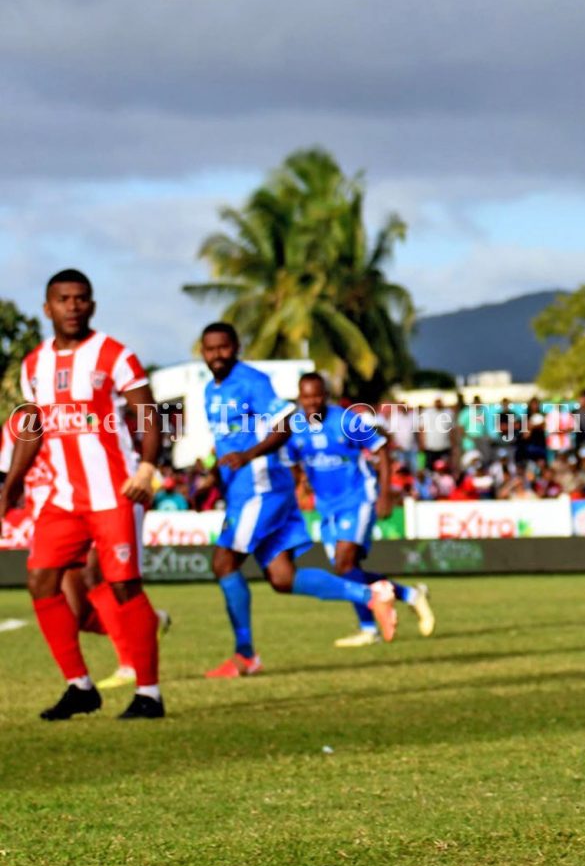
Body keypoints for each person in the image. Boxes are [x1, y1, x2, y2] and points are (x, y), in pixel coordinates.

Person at [0, 269, 166, 720]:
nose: (72, 306)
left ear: (92, 305)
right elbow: (32, 432)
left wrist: (148, 468)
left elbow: (148, 415)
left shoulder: (115, 355)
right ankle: (80, 686)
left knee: (123, 584)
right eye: (63, 299)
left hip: (115, 491)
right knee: (40, 579)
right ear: (47, 307)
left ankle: (148, 693)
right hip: (64, 496)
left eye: (81, 298)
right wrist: (10, 487)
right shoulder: (34, 364)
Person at [199, 323, 396, 678]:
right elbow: (225, 442)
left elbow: (285, 423)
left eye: (223, 348)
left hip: (261, 488)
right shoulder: (209, 392)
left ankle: (245, 655)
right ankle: (371, 596)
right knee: (282, 578)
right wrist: (212, 478)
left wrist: (248, 457)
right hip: (247, 488)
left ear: (236, 347)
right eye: (210, 349)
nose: (216, 355)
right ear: (202, 351)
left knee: (224, 563)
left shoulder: (253, 381)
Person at [286, 373, 436, 646]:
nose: (312, 401)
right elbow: (292, 461)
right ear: (299, 397)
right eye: (306, 396)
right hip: (326, 506)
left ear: (326, 395)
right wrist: (301, 486)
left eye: (317, 395)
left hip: (358, 498)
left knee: (344, 563)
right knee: (347, 570)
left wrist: (385, 494)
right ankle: (410, 596)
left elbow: (382, 450)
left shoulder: (345, 420)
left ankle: (369, 629)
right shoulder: (295, 427)